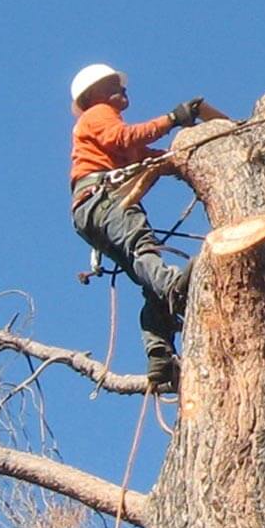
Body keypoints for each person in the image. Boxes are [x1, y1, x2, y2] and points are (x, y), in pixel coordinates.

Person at [67, 63, 204, 391]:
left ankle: (159, 353)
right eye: (115, 85)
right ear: (95, 94)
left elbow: (145, 154)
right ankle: (175, 287)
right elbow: (124, 137)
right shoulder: (98, 113)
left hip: (91, 208)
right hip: (105, 198)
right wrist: (173, 120)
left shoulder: (104, 133)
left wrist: (189, 155)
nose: (124, 90)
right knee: (144, 249)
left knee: (147, 276)